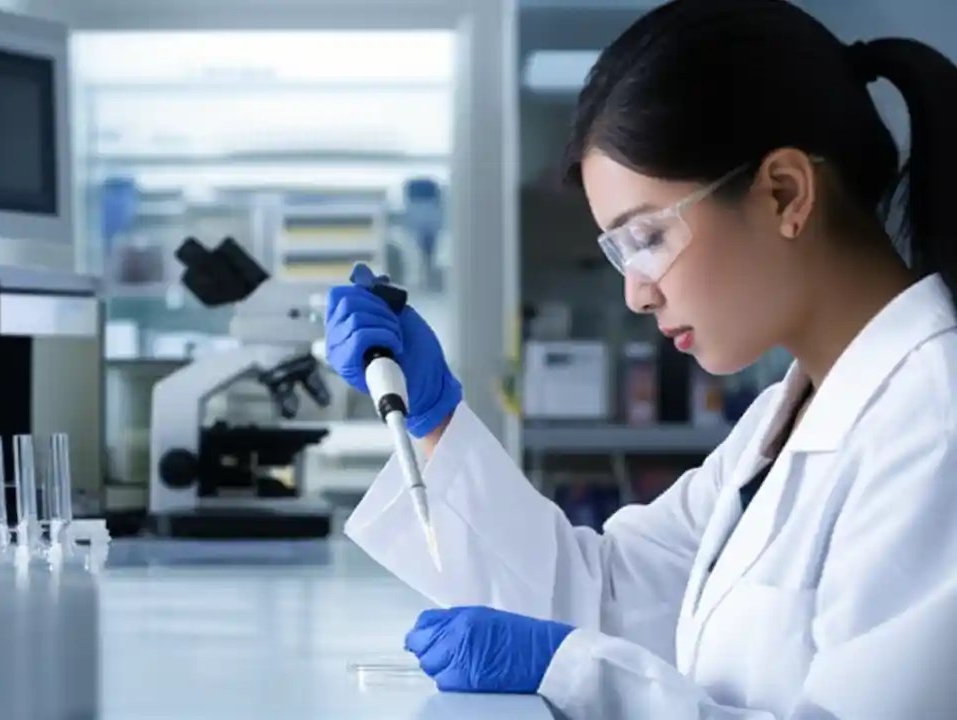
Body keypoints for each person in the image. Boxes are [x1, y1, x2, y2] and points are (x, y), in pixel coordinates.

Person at [325, 0, 957, 717]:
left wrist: (579, 676)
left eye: (647, 238)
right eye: (618, 251)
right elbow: (605, 595)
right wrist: (435, 420)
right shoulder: (786, 420)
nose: (635, 294)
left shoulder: (935, 428)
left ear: (785, 192)